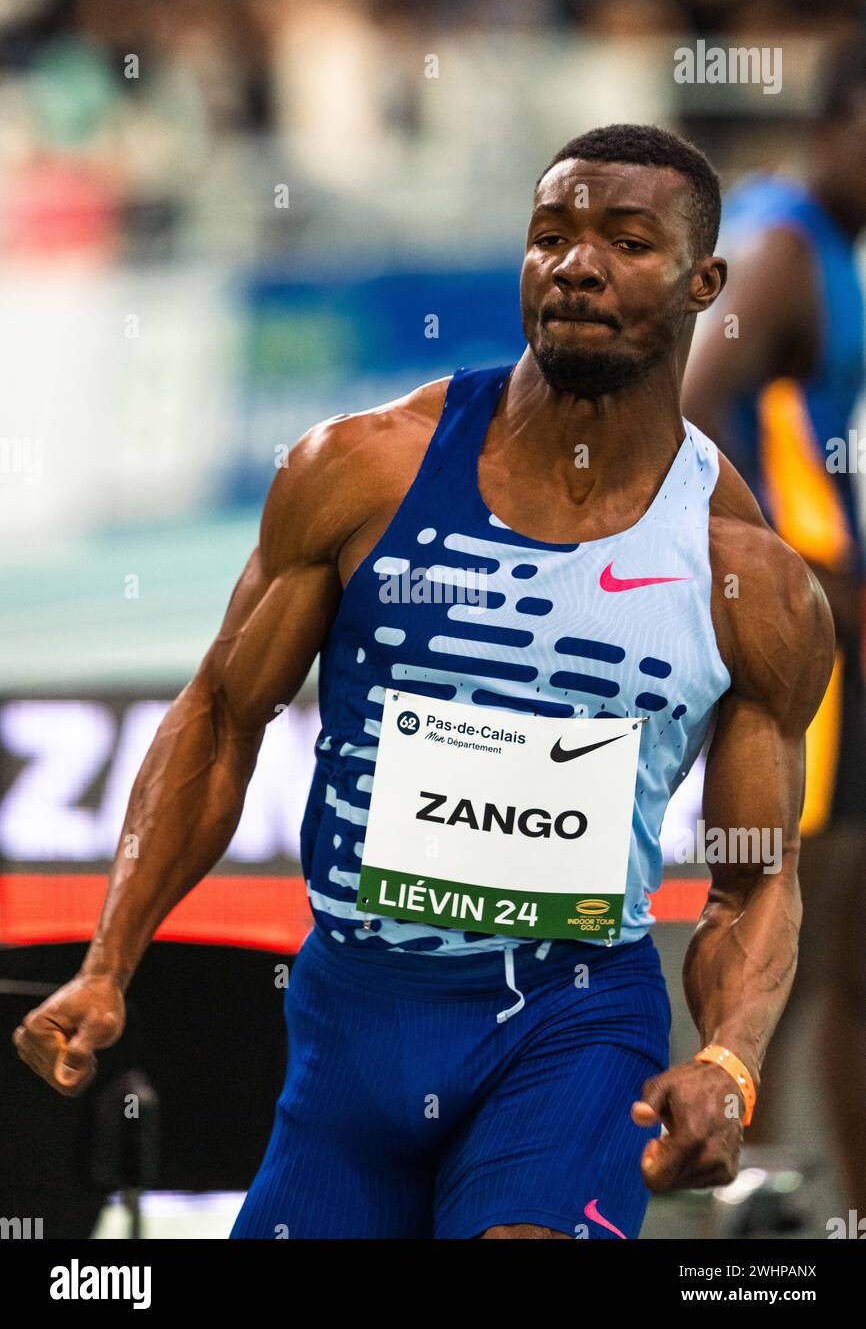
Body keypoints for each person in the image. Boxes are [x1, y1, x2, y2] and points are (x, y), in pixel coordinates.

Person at [14, 124, 834, 1240]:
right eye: (550, 236)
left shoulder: (748, 581)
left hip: (573, 1018)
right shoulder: (360, 472)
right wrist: (110, 963)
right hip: (354, 1021)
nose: (575, 264)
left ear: (704, 282)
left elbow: (752, 876)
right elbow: (219, 718)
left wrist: (729, 1058)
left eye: (624, 241)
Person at [682, 38, 866, 1212]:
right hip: (807, 656)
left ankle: (768, 1183)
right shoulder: (787, 248)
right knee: (790, 928)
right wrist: (792, 579)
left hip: (823, 635)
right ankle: (712, 1179)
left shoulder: (821, 245)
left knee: (829, 946)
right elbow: (691, 406)